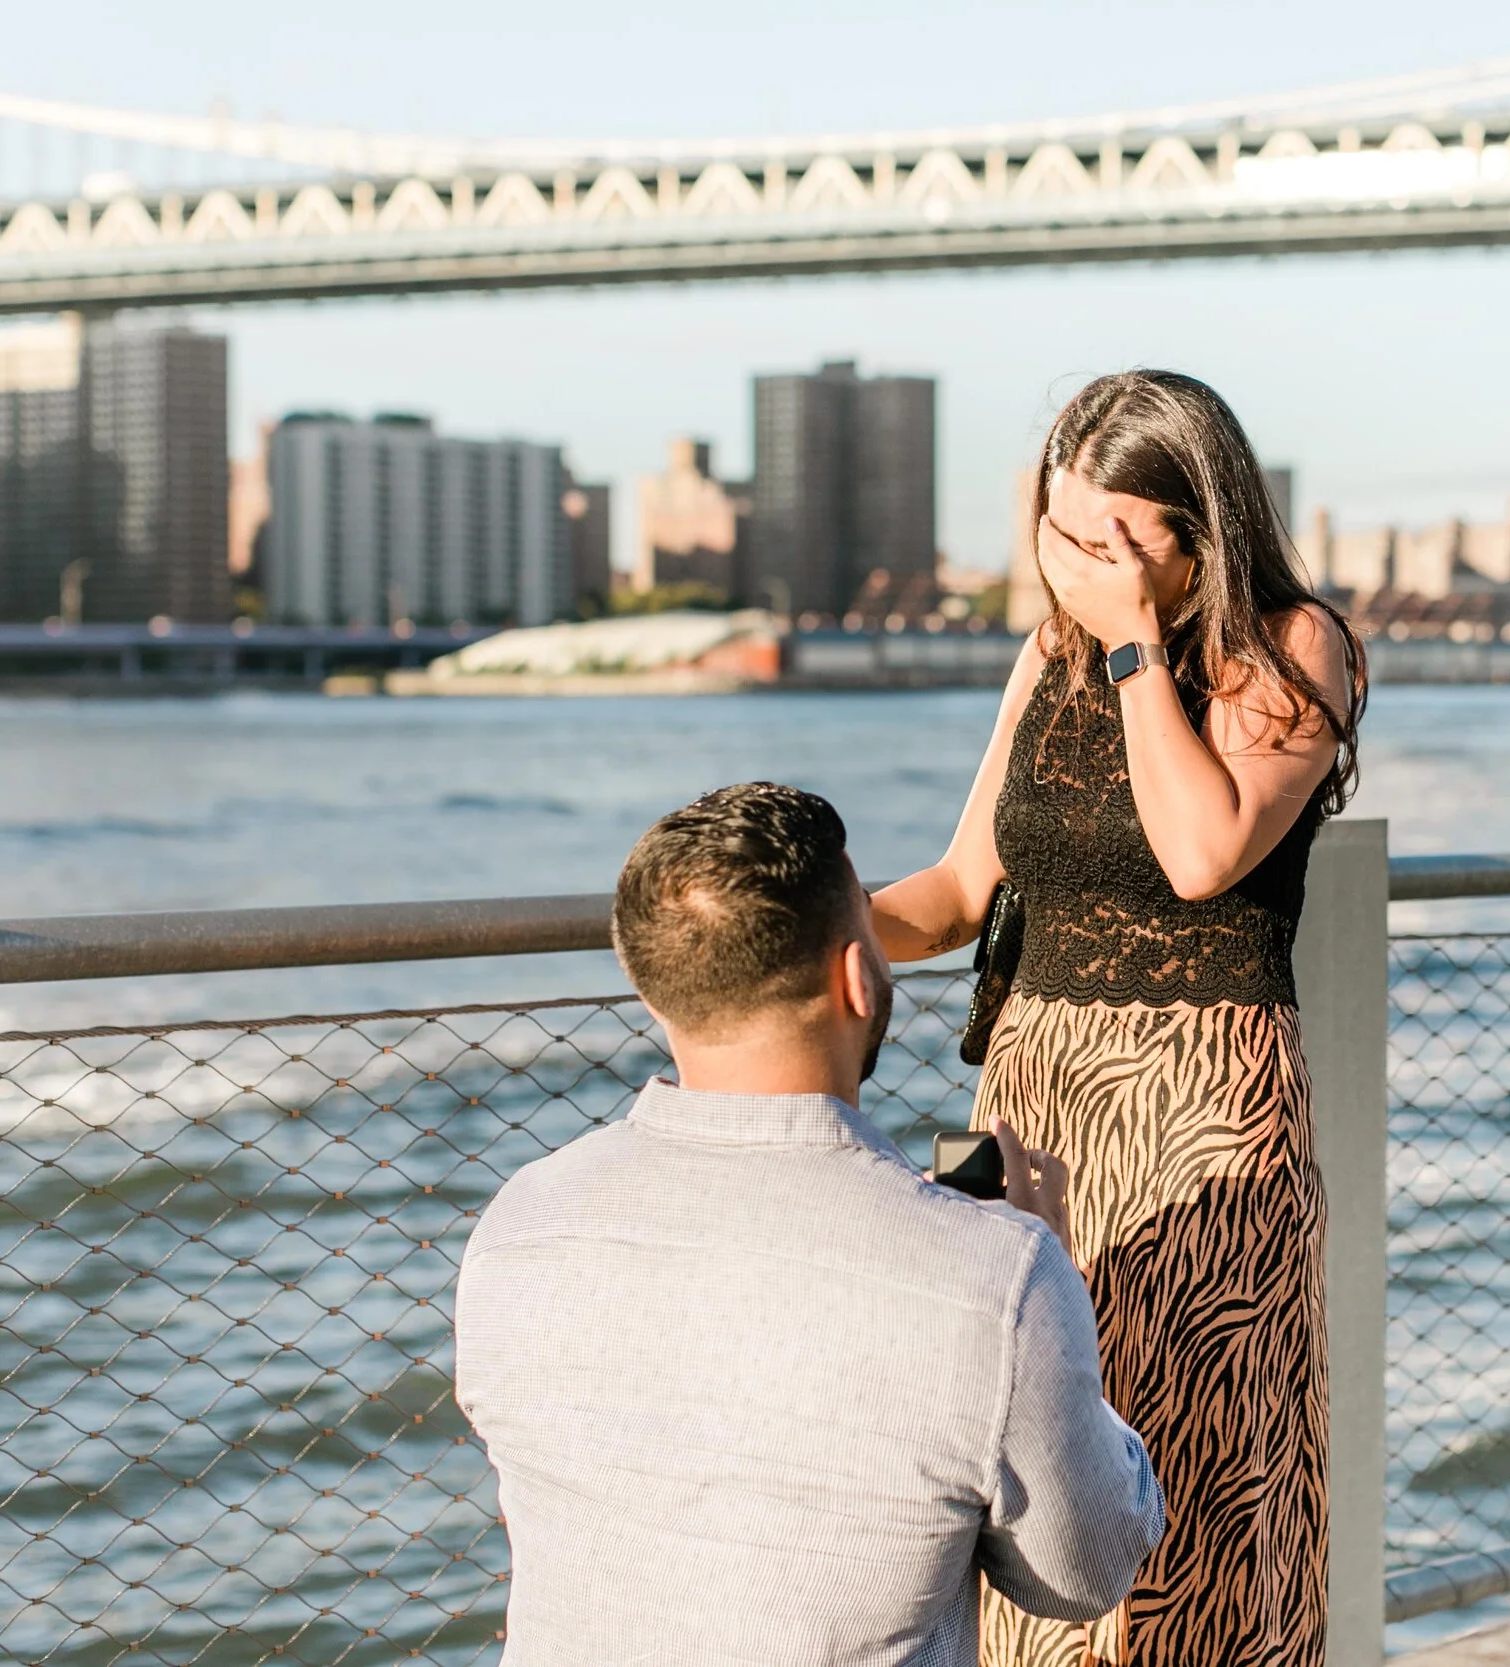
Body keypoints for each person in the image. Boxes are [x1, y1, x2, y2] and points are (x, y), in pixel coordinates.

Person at [873, 371, 1367, 1665]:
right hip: (1037, 1105)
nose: (1086, 560)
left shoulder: (1292, 646)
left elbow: (1203, 852)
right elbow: (956, 889)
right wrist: (787, 925)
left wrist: (1137, 642)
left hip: (1201, 1107)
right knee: (1028, 1447)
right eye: (1065, 527)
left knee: (1196, 1459)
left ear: (1201, 526)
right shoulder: (1049, 654)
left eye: (1119, 534)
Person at [456, 782, 1164, 1666]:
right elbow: (1086, 1572)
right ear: (858, 977)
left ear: (657, 994)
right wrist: (1051, 1296)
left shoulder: (519, 1224)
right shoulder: (996, 1280)